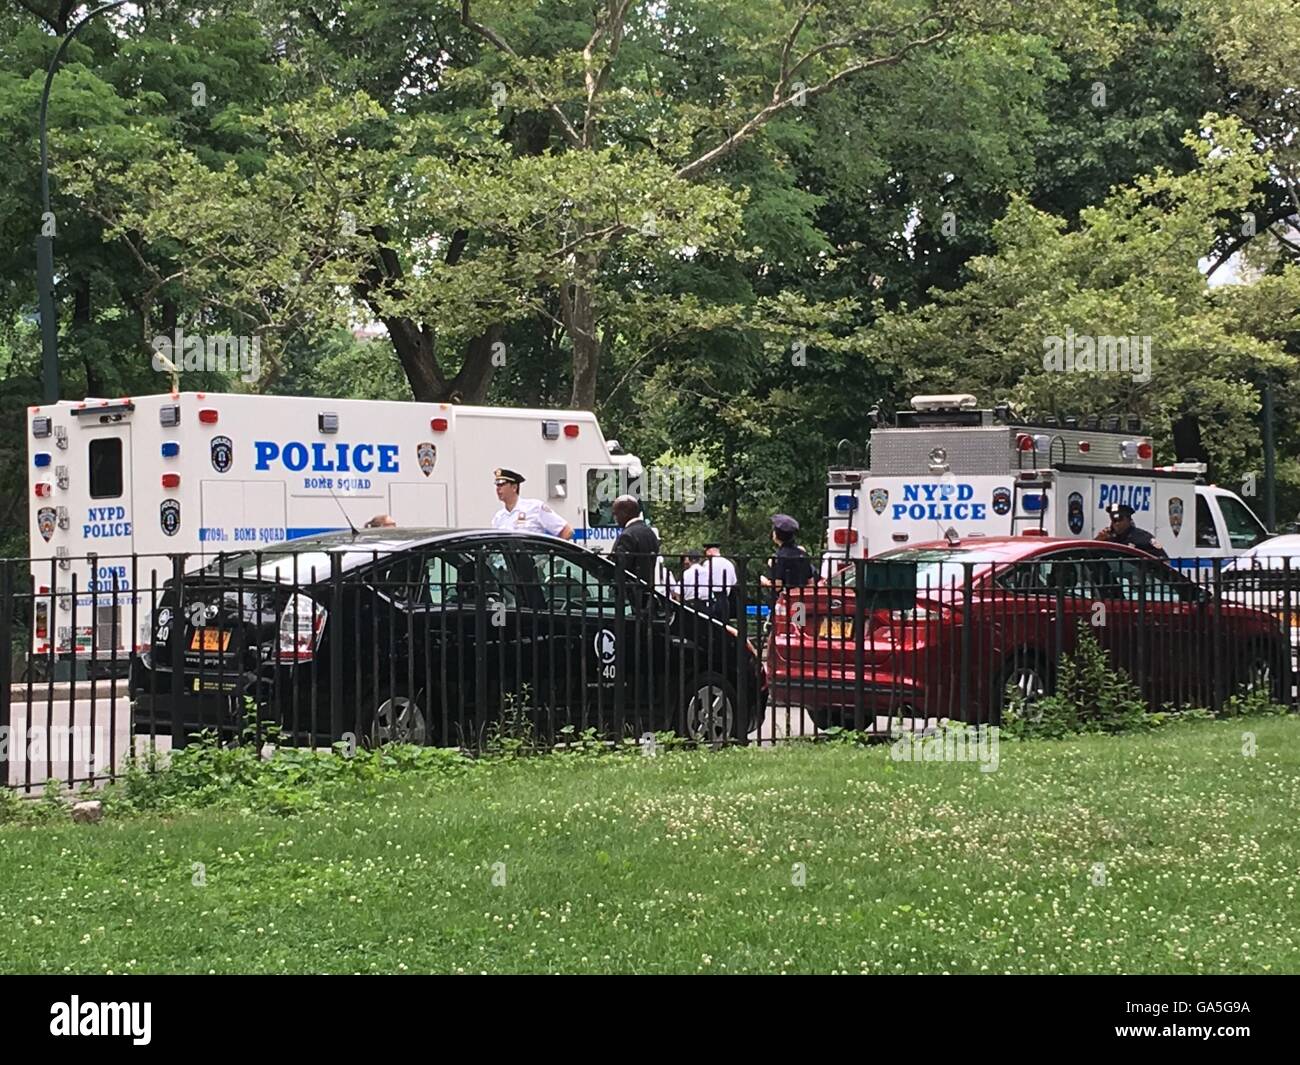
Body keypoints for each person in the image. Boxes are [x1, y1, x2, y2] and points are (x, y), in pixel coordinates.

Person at [490, 468, 574, 539]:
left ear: (514, 487)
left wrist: (552, 554)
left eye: (502, 484)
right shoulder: (498, 517)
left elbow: (567, 531)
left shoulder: (534, 508)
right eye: (497, 485)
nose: (498, 489)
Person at [611, 494, 659, 589]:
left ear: (624, 513)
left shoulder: (627, 535)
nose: (615, 518)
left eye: (615, 514)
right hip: (647, 590)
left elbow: (619, 567)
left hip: (629, 593)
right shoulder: (650, 533)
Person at [760, 513, 814, 591]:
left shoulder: (778, 557)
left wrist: (765, 582)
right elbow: (811, 582)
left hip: (786, 600)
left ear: (776, 535)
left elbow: (777, 587)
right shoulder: (802, 554)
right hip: (802, 598)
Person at [1095, 502, 1168, 559]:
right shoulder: (1107, 538)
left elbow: (1163, 559)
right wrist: (1098, 541)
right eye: (1113, 520)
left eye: (1119, 519)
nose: (1116, 523)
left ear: (1128, 519)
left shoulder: (1143, 537)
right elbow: (1090, 555)